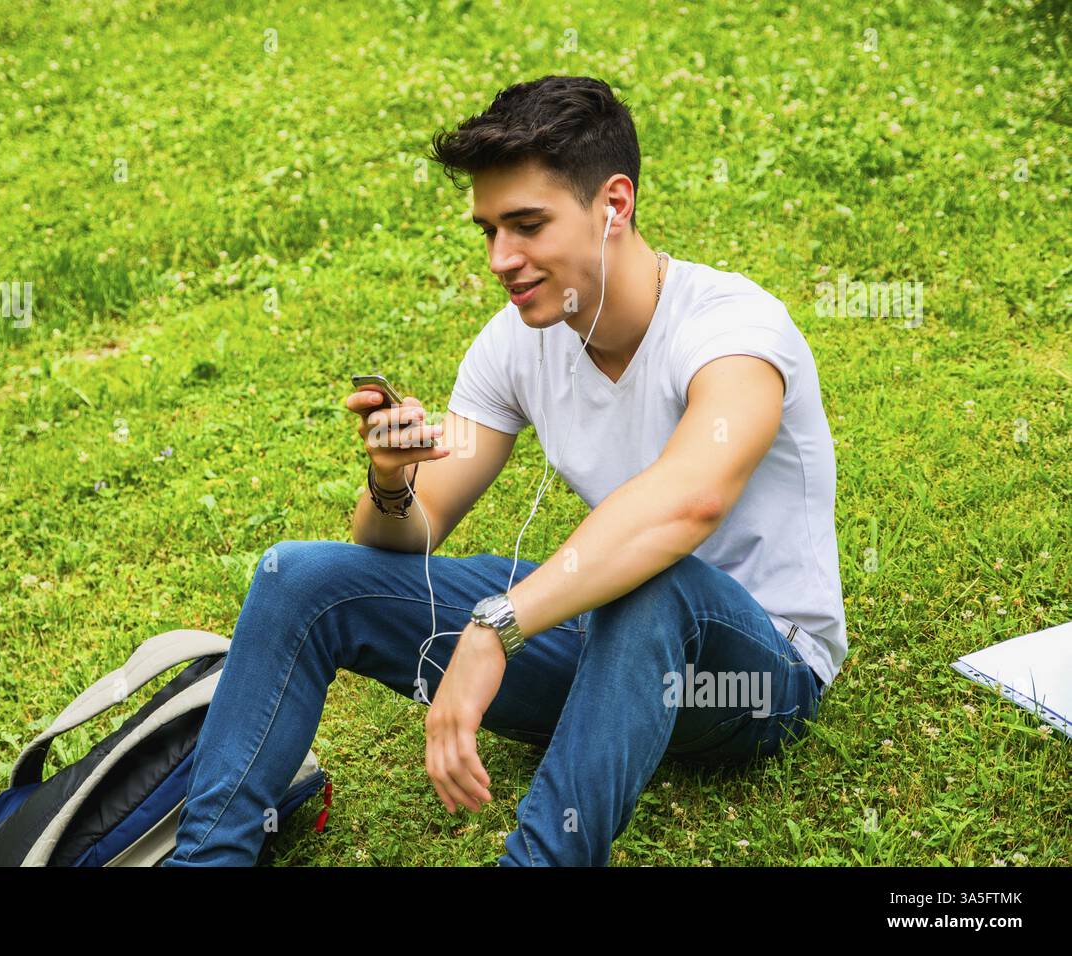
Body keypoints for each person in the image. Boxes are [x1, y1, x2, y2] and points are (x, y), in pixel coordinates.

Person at [164, 75, 845, 867]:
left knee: (653, 581)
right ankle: (204, 859)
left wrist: (497, 628)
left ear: (613, 206)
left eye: (527, 225)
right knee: (300, 577)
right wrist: (391, 479)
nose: (501, 258)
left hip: (754, 677)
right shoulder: (519, 338)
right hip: (600, 655)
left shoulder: (734, 329)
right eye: (488, 230)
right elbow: (400, 539)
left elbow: (687, 503)